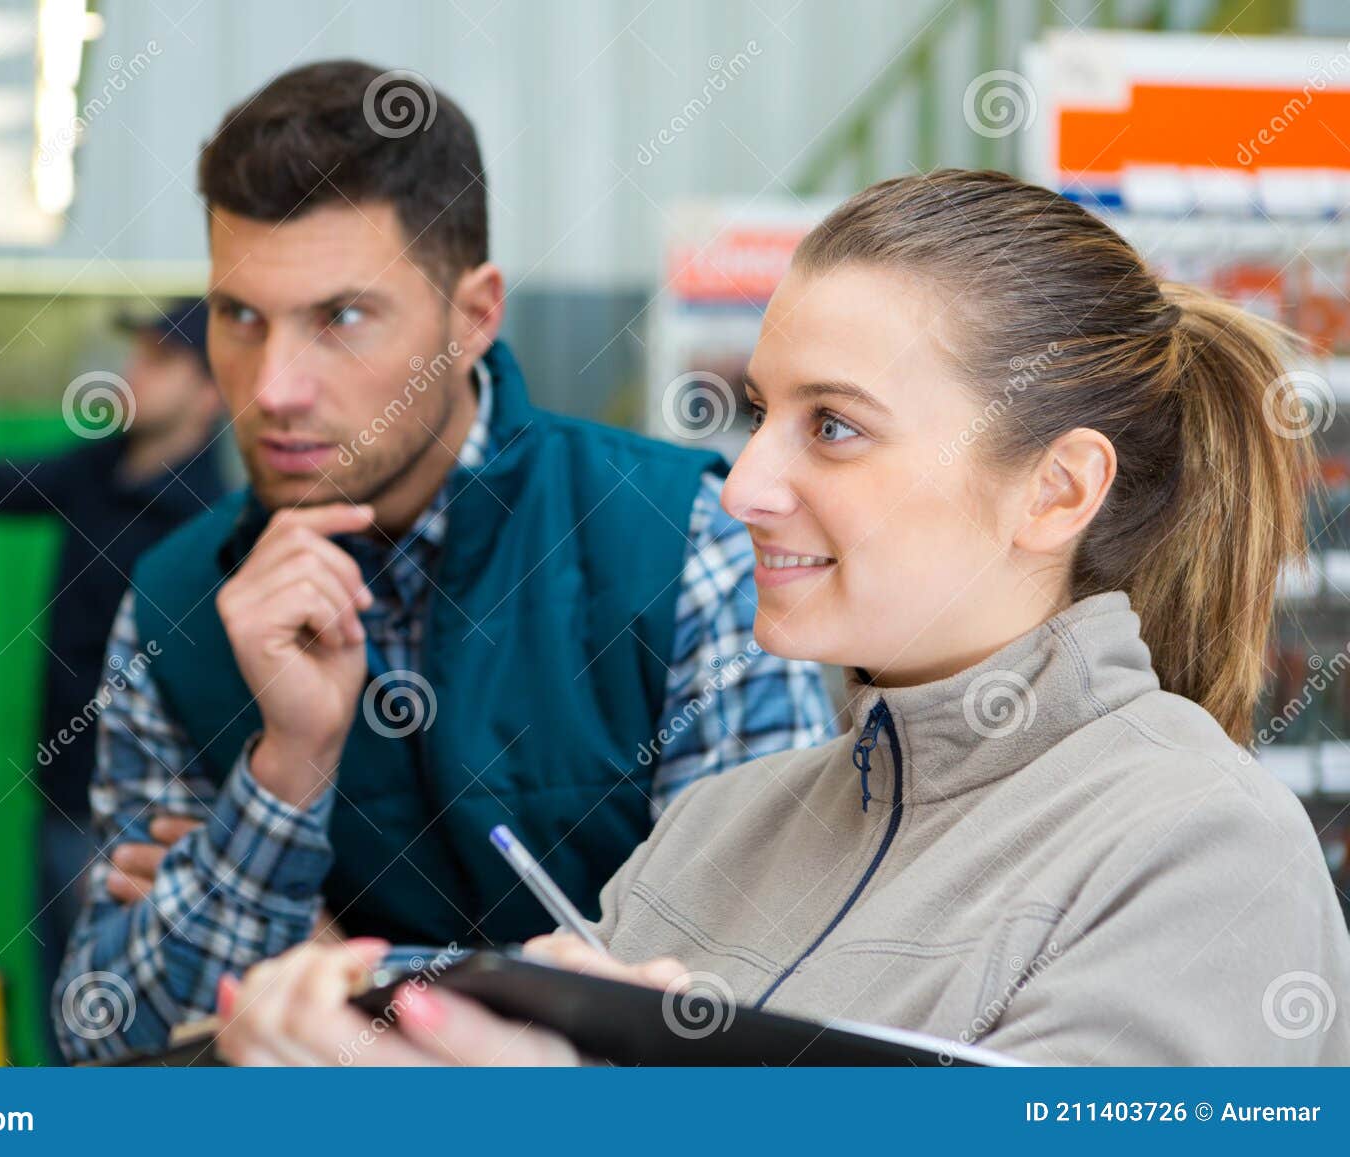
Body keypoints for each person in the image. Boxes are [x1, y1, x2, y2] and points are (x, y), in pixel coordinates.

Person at [216, 170, 1350, 1067]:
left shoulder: (1198, 848)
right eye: (761, 413)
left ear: (1054, 489)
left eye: (835, 427)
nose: (746, 483)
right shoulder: (716, 829)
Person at [54, 60, 833, 1062]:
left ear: (472, 316)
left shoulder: (687, 542)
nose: (274, 385)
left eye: (340, 317)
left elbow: (747, 993)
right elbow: (109, 1036)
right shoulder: (175, 601)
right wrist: (284, 772)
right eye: (240, 316)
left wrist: (332, 962)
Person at [0, 299, 229, 1060]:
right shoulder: (100, 465)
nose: (135, 371)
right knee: (63, 1009)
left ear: (211, 392)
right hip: (63, 792)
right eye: (136, 352)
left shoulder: (208, 517)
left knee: (124, 1029)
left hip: (139, 821)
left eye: (160, 359)